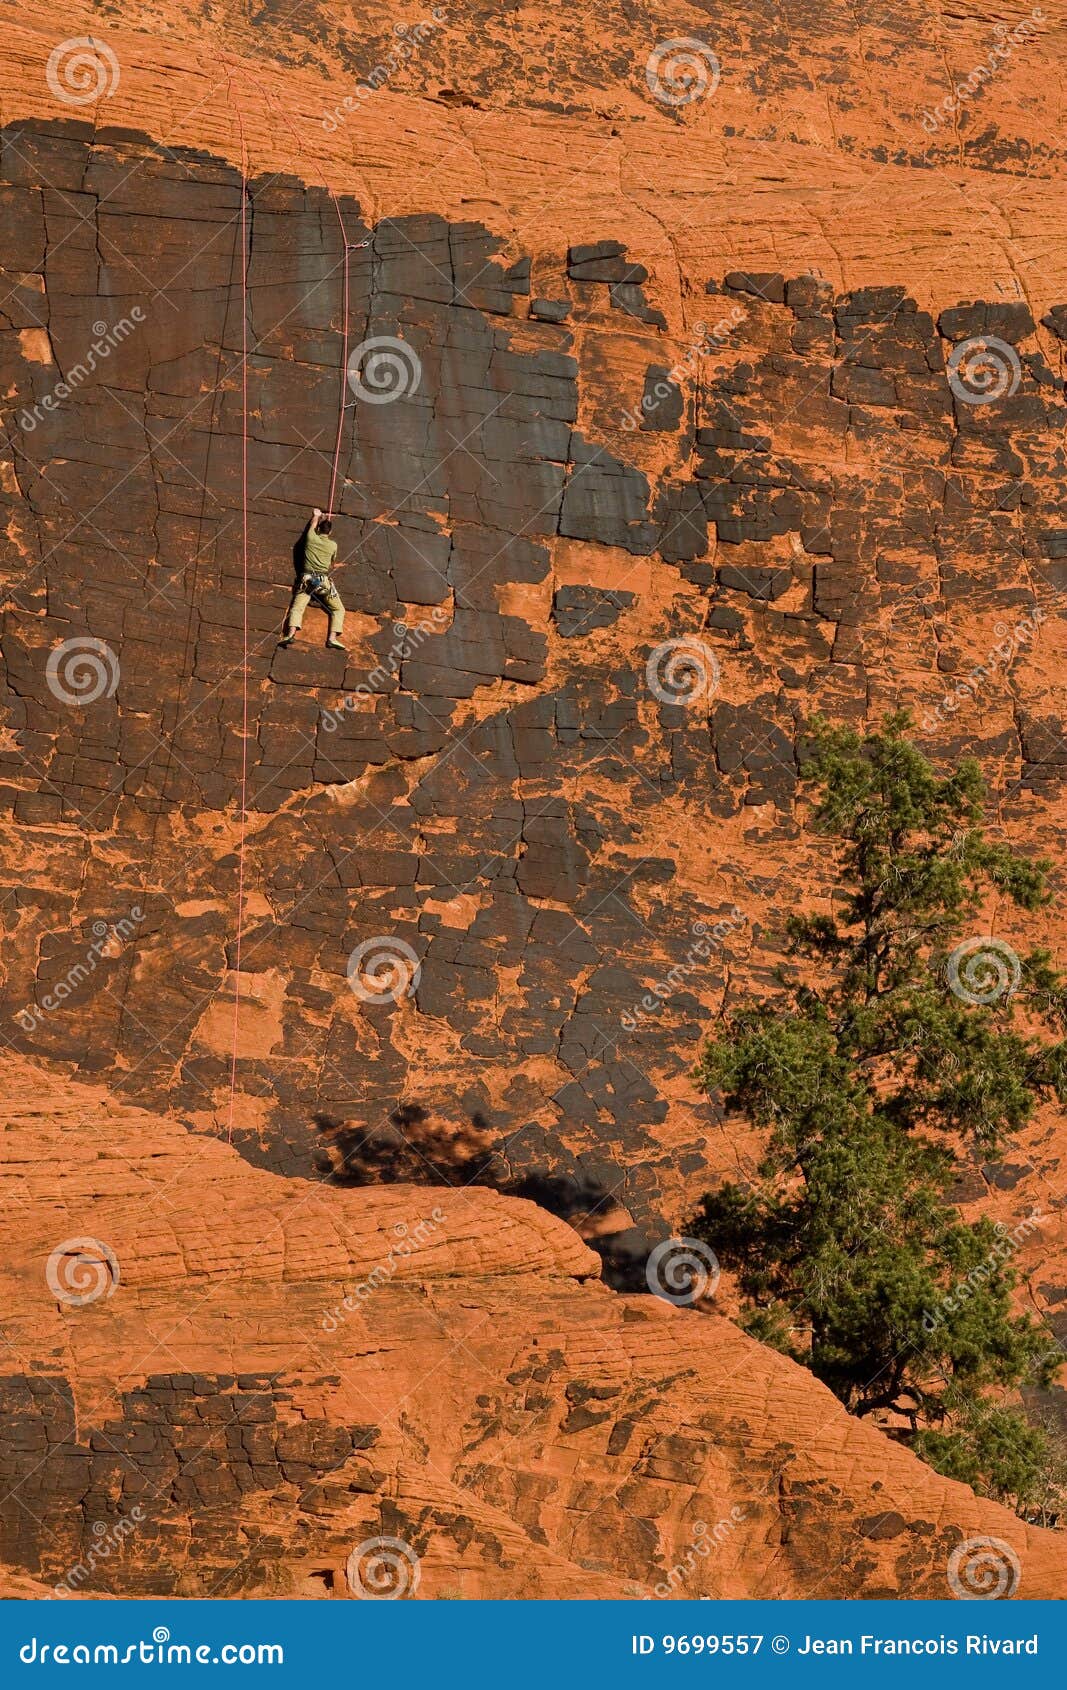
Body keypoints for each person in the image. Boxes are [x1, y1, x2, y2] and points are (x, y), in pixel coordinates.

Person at [278, 508, 346, 649]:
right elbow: (333, 561)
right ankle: (332, 639)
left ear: (319, 529)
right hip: (323, 583)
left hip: (307, 581)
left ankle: (290, 635)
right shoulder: (333, 545)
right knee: (338, 609)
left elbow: (312, 525)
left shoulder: (311, 537)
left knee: (297, 608)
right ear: (330, 533)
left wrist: (316, 516)